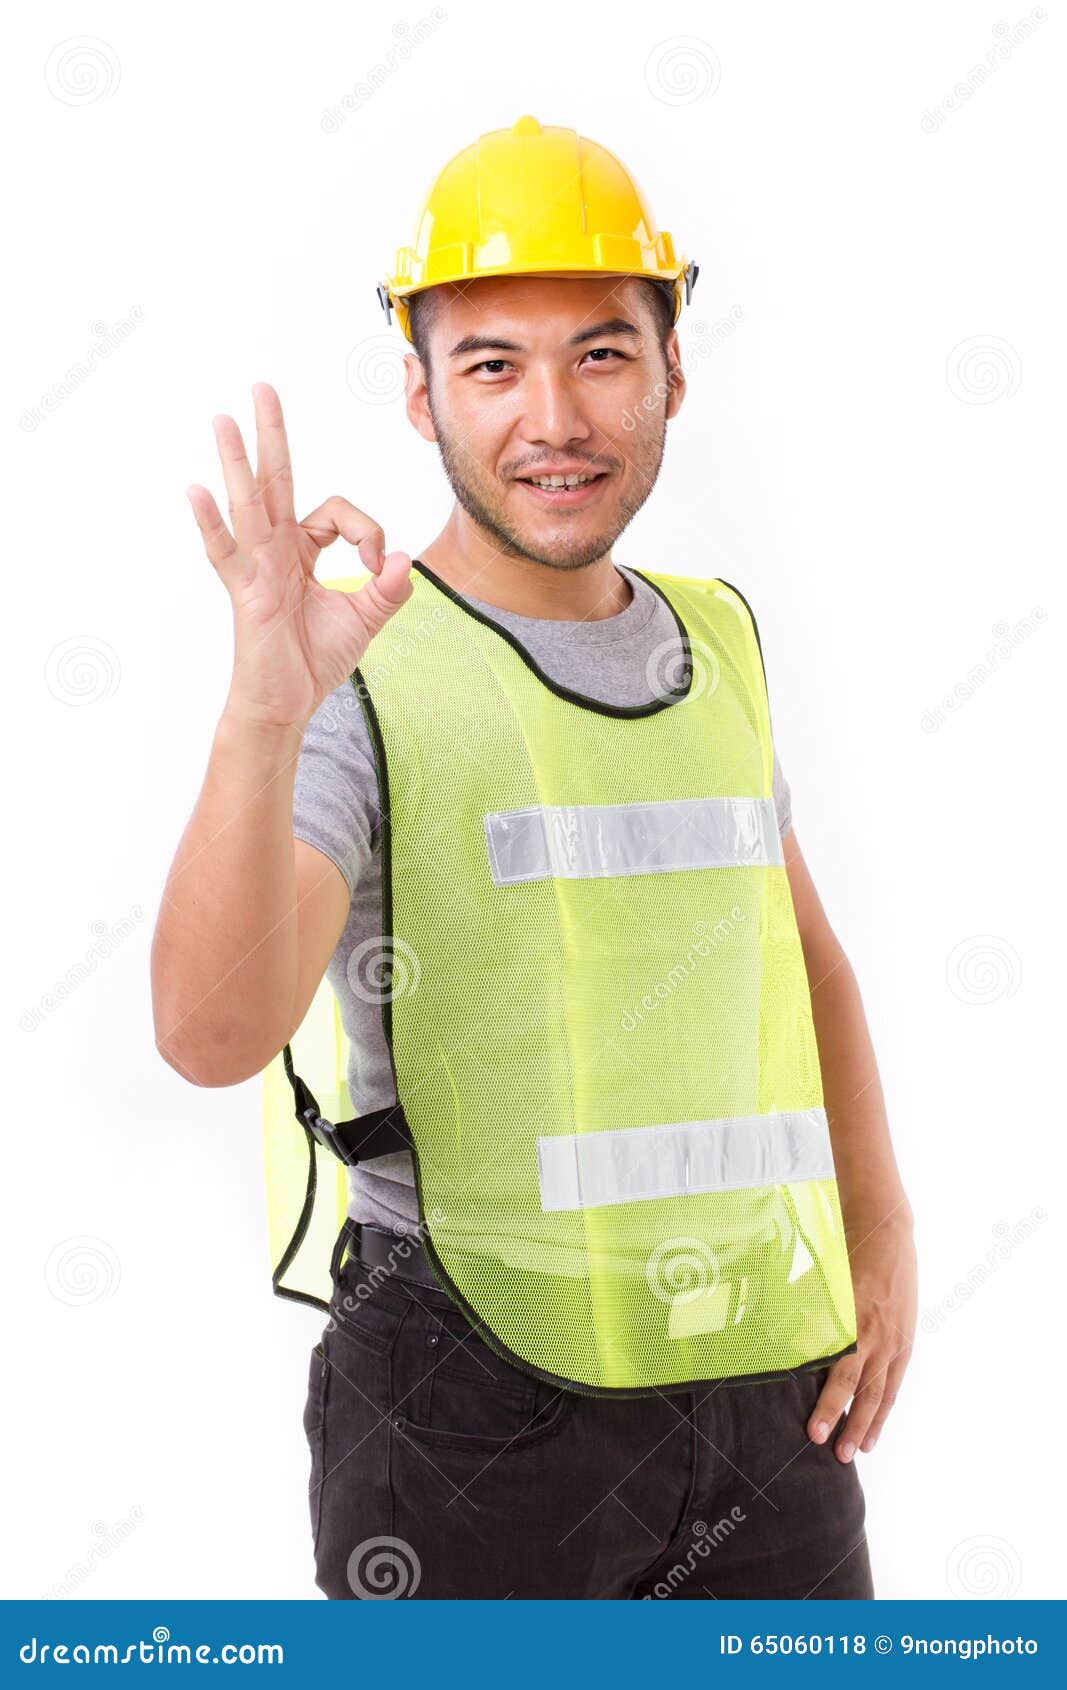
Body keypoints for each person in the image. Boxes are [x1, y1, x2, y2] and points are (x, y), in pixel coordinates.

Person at [151, 117, 916, 1601]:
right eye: (493, 363)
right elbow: (208, 1033)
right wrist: (263, 705)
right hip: (469, 1407)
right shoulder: (358, 669)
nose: (553, 414)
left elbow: (804, 955)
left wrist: (877, 1229)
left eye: (603, 354)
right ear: (424, 394)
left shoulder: (721, 637)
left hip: (765, 1375)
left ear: (675, 368)